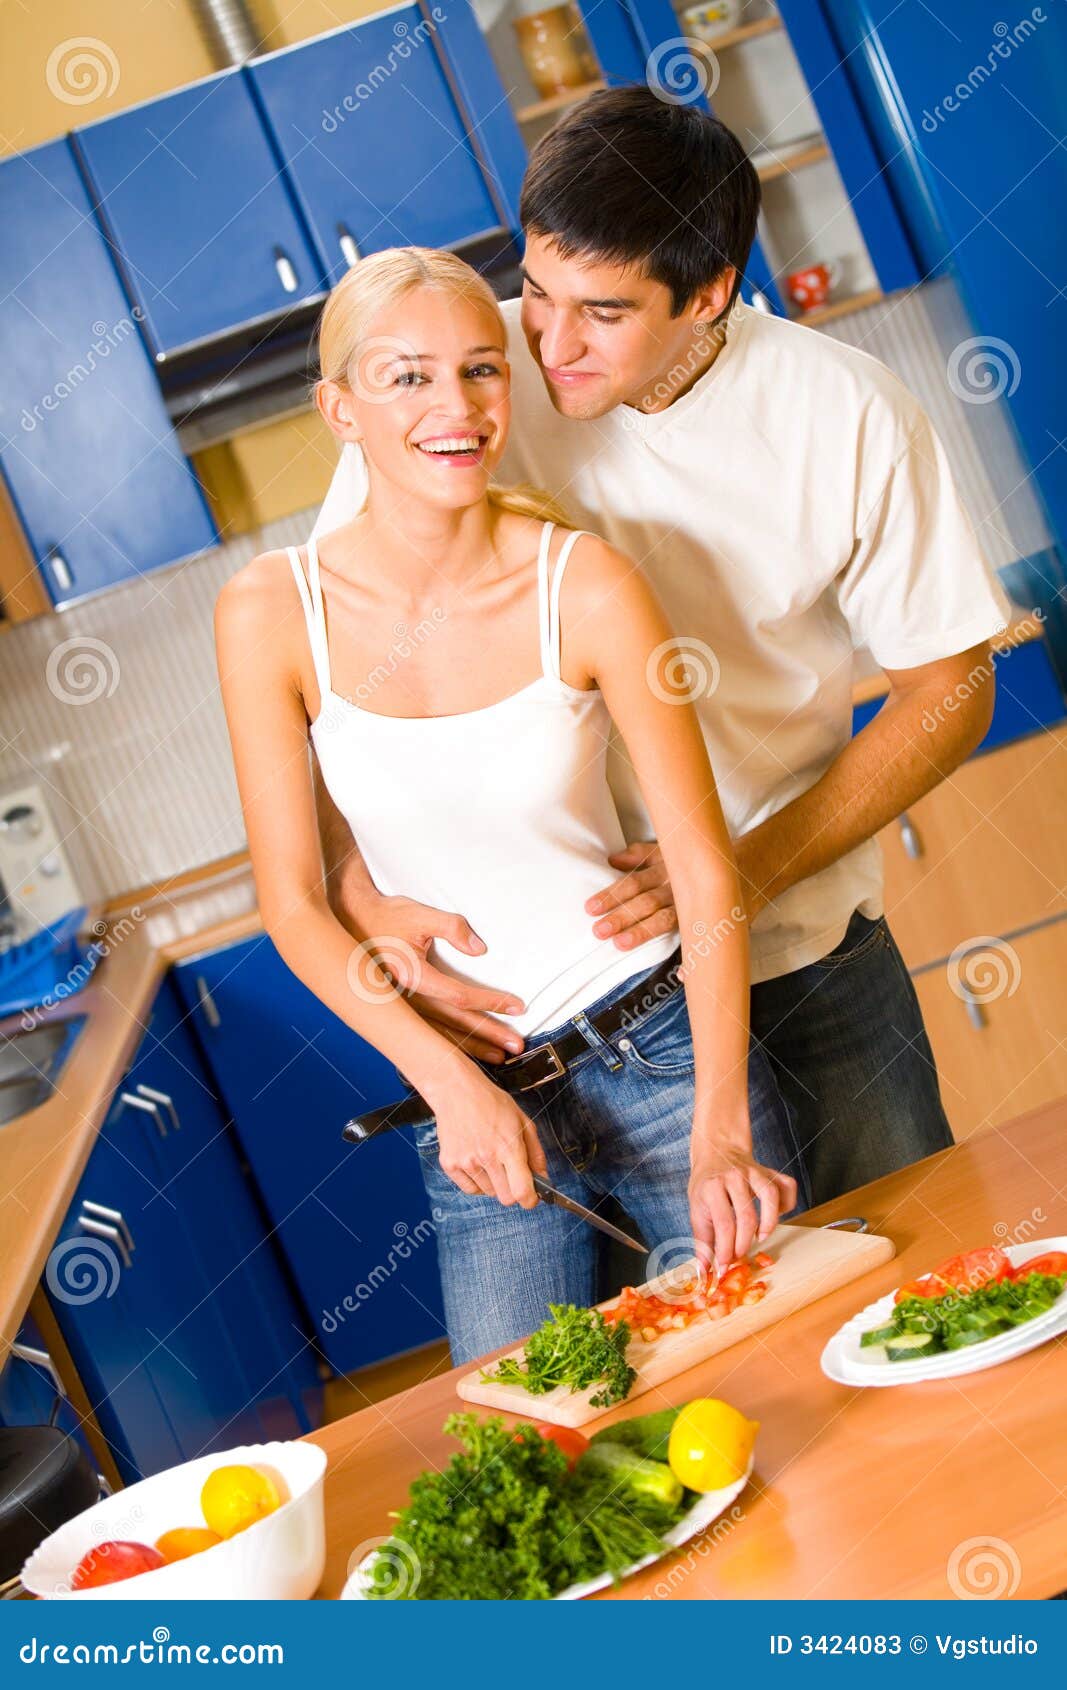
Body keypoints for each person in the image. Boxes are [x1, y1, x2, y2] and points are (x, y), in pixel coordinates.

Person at [312, 87, 1011, 1210]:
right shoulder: (458, 375)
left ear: (708, 296)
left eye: (600, 311)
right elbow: (335, 671)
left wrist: (736, 873)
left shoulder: (844, 414)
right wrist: (352, 881)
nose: (544, 343)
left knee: (907, 1264)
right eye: (534, 291)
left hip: (796, 954)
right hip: (546, 1003)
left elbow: (951, 687)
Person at [214, 245, 803, 1365]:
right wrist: (451, 1089)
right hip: (472, 1087)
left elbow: (704, 869)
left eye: (482, 371)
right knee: (527, 1434)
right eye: (408, 377)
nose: (456, 406)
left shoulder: (583, 583)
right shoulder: (266, 613)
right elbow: (291, 900)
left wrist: (720, 1130)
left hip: (662, 1056)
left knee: (772, 1379)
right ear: (339, 408)